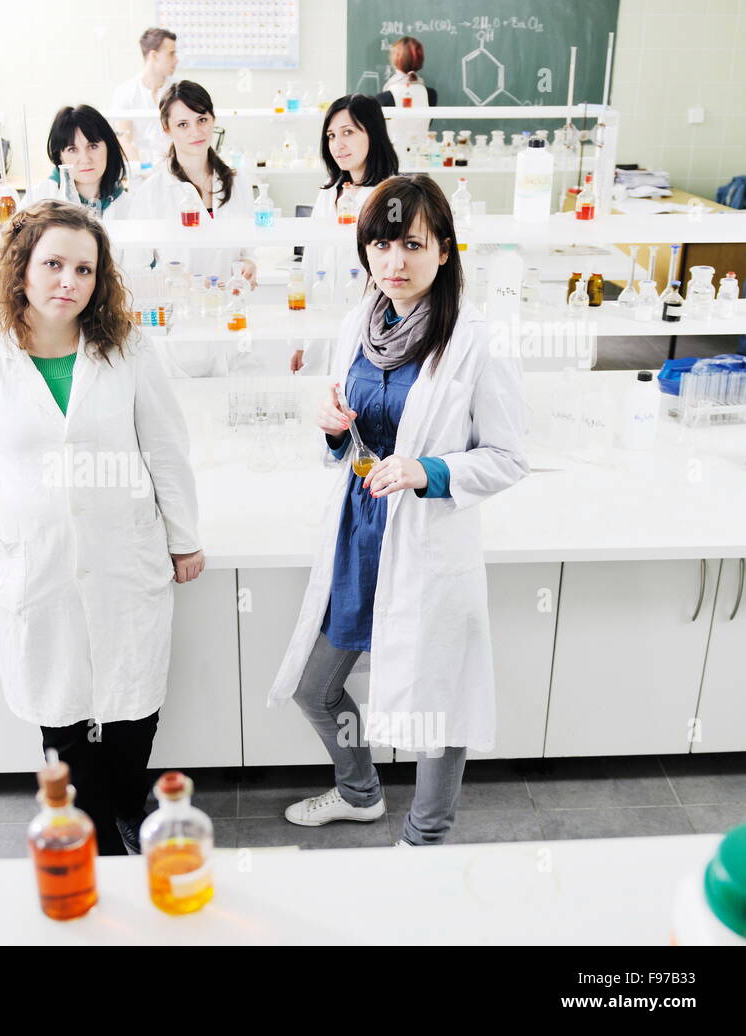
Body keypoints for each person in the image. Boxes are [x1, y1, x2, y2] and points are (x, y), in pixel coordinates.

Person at [267, 175, 529, 847]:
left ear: (444, 250)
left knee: (436, 701)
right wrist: (331, 425)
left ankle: (427, 834)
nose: (394, 261)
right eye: (380, 243)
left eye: (412, 243)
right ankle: (359, 791)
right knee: (313, 686)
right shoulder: (360, 321)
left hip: (427, 538)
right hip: (360, 530)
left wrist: (428, 470)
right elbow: (350, 428)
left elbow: (508, 456)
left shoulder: (476, 339)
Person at [0, 199, 204, 857]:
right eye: (53, 263)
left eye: (84, 269)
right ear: (20, 268)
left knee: (131, 709)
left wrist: (184, 536)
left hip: (125, 559)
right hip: (39, 568)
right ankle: (100, 847)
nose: (68, 281)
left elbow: (166, 449)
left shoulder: (129, 351)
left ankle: (125, 807)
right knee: (61, 715)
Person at [123, 80, 258, 377]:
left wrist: (249, 263)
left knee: (234, 406)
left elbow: (249, 250)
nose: (195, 132)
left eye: (202, 120)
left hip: (232, 321)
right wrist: (170, 281)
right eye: (183, 124)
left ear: (213, 120)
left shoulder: (239, 184)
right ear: (166, 128)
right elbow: (135, 268)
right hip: (180, 329)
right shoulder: (153, 193)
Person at [291, 94, 399, 373]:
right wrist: (300, 340)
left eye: (348, 132)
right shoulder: (328, 195)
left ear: (373, 134)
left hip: (369, 331)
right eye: (331, 136)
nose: (337, 145)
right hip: (321, 328)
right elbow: (310, 264)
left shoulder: (392, 196)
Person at [24, 105, 131, 218]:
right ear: (59, 156)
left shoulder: (130, 205)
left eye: (93, 146)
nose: (85, 159)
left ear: (109, 147)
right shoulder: (37, 201)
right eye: (72, 149)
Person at [110, 27, 177, 173]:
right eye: (171, 54)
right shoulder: (126, 92)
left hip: (175, 169)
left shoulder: (178, 91)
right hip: (140, 171)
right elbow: (124, 140)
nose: (176, 60)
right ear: (153, 55)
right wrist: (144, 172)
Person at [375, 36, 437, 160]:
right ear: (420, 60)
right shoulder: (430, 94)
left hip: (392, 162)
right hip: (420, 161)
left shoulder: (384, 97)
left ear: (395, 60)